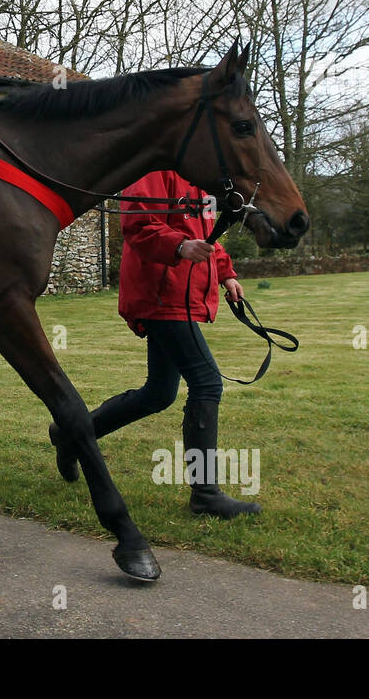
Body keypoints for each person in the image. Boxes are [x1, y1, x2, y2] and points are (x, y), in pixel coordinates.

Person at [49, 169, 260, 517]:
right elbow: (138, 225)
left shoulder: (199, 177)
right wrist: (178, 246)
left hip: (183, 295)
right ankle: (205, 494)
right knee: (206, 383)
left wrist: (226, 273)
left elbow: (207, 235)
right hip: (162, 295)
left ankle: (71, 433)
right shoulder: (154, 171)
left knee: (158, 393)